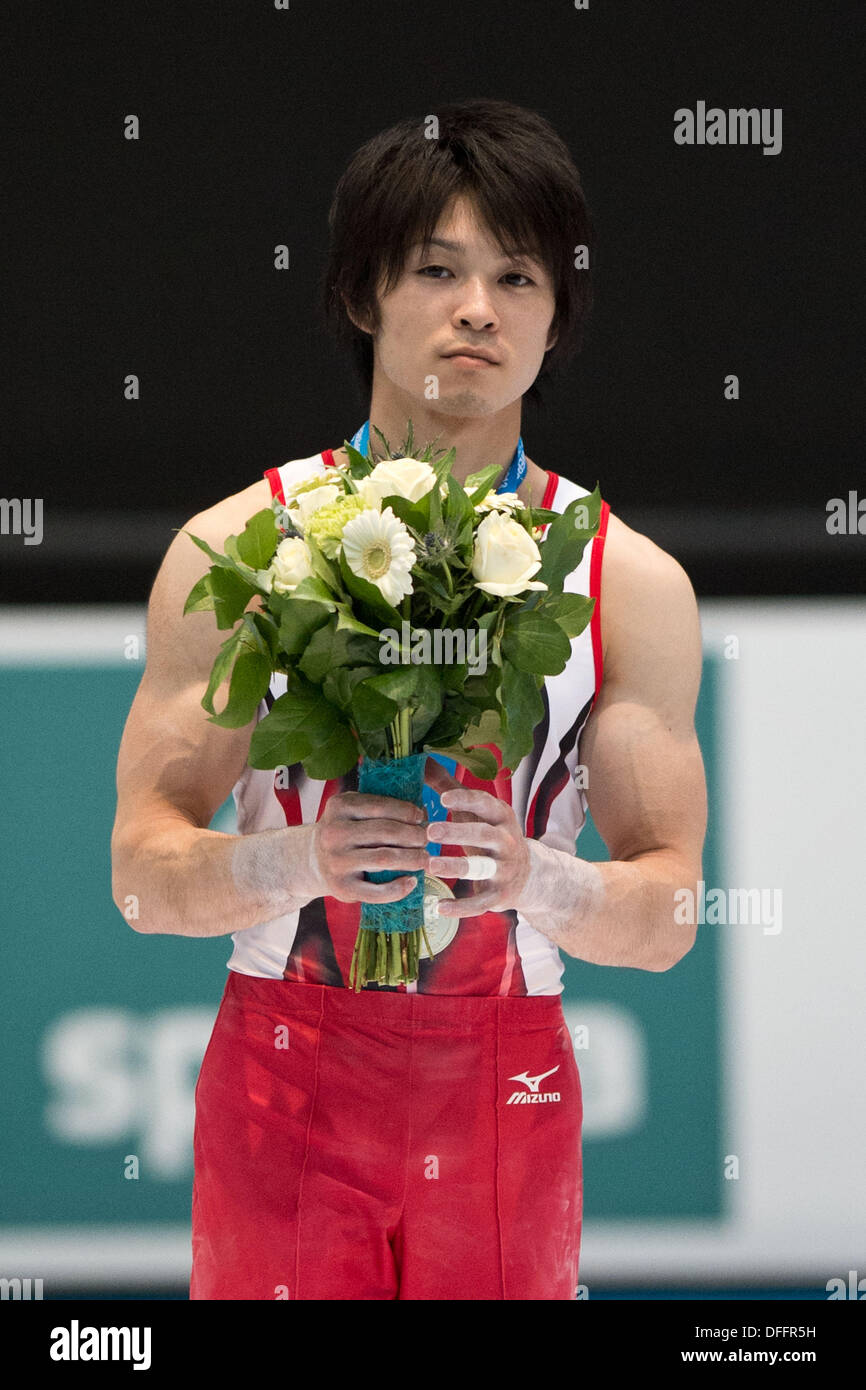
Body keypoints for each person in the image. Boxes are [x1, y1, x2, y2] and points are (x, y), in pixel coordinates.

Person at [111, 98, 707, 1300]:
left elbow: (670, 913)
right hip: (284, 1069)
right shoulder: (238, 552)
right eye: (436, 268)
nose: (477, 308)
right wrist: (294, 864)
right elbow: (139, 876)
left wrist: (538, 877)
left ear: (557, 319)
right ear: (359, 294)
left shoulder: (626, 586)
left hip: (504, 1086)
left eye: (517, 276)